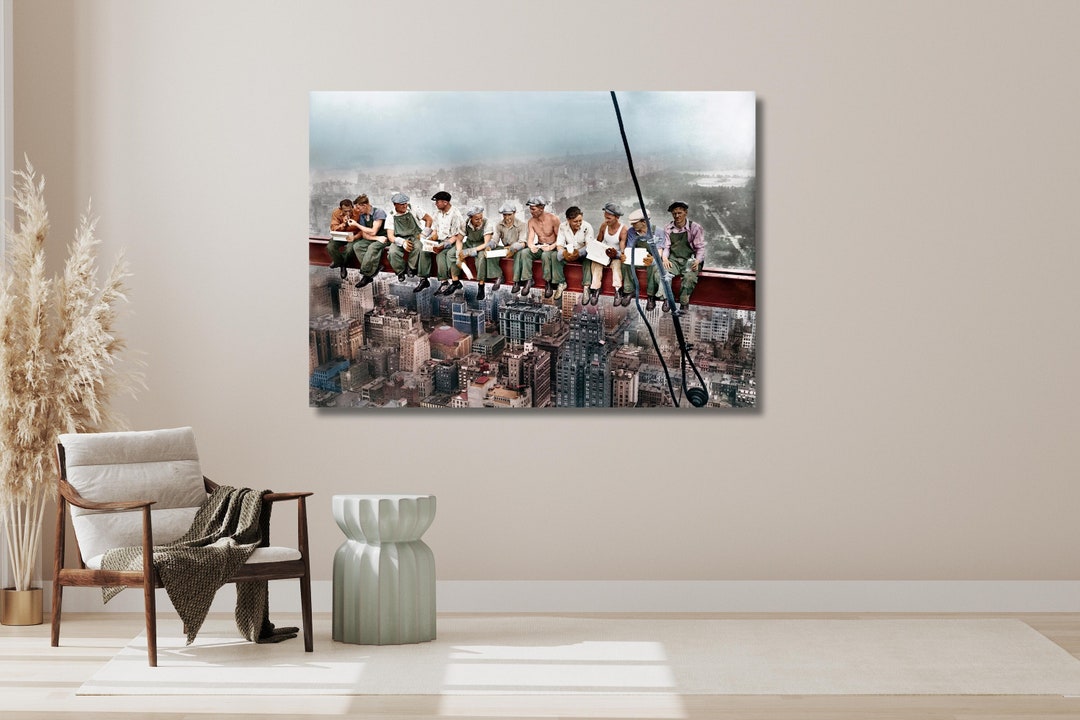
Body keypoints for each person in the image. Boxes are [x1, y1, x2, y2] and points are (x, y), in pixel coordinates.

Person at [657, 200, 705, 311]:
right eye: (674, 213)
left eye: (680, 213)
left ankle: (684, 301)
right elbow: (667, 246)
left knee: (689, 277)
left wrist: (697, 261)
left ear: (685, 213)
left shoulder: (695, 227)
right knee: (664, 273)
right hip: (674, 259)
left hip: (690, 260)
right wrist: (665, 258)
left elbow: (700, 248)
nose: (677, 216)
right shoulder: (668, 228)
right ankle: (667, 298)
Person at [385, 193, 434, 292]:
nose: (405, 206)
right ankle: (400, 272)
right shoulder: (391, 216)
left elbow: (429, 219)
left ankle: (411, 268)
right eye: (402, 204)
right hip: (399, 238)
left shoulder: (414, 209)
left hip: (415, 235)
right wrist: (403, 242)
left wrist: (424, 234)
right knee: (392, 252)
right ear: (395, 205)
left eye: (406, 203)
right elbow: (390, 236)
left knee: (419, 247)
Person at [585, 202, 627, 306]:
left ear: (617, 217)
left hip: (615, 256)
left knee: (616, 266)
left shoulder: (623, 230)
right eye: (605, 217)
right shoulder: (604, 226)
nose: (606, 220)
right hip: (604, 254)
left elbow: (623, 251)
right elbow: (598, 241)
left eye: (609, 218)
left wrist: (616, 254)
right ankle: (595, 289)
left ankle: (618, 290)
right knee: (596, 263)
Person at [524, 196, 562, 298]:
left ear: (541, 208)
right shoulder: (531, 221)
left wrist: (551, 247)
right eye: (530, 209)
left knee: (545, 255)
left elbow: (560, 239)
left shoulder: (554, 219)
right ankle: (528, 279)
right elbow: (530, 238)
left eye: (533, 209)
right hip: (540, 245)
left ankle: (548, 283)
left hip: (553, 247)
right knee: (525, 253)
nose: (531, 211)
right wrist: (531, 246)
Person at [620, 208, 659, 307]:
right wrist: (625, 255)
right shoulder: (631, 231)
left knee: (653, 266)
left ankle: (651, 295)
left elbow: (659, 252)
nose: (632, 225)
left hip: (651, 259)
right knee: (625, 263)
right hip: (638, 258)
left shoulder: (657, 231)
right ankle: (629, 290)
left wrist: (652, 260)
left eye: (635, 223)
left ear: (644, 222)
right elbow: (630, 247)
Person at [430, 191, 466, 296]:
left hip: (455, 242)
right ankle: (444, 282)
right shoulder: (438, 213)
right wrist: (431, 239)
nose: (436, 204)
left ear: (445, 202)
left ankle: (455, 281)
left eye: (438, 202)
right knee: (439, 256)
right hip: (442, 241)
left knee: (451, 255)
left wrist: (444, 245)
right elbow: (435, 229)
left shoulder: (455, 214)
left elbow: (457, 235)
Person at [555, 206, 593, 300]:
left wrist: (578, 253)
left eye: (580, 221)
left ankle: (586, 287)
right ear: (568, 220)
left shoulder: (587, 227)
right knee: (555, 256)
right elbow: (559, 244)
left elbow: (589, 246)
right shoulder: (563, 226)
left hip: (582, 252)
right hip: (569, 252)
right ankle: (561, 283)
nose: (579, 223)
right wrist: (565, 253)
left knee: (588, 258)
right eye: (575, 221)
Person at [350, 194, 389, 288]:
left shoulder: (378, 212)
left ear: (365, 205)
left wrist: (356, 225)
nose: (357, 210)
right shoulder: (363, 216)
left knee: (372, 247)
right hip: (375, 238)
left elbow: (373, 231)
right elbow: (364, 234)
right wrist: (376, 238)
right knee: (357, 246)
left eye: (358, 208)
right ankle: (375, 268)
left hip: (385, 238)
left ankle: (366, 275)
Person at [459, 206, 495, 299]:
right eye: (476, 219)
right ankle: (455, 281)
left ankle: (481, 285)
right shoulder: (465, 223)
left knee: (481, 257)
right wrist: (460, 251)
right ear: (471, 218)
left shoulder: (487, 223)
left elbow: (486, 243)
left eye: (481, 218)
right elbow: (459, 239)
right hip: (469, 243)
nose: (480, 221)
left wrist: (471, 251)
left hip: (481, 245)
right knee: (454, 254)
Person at [493, 203, 529, 294]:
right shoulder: (499, 225)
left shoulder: (521, 225)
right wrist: (490, 246)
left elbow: (522, 242)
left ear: (514, 213)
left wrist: (512, 249)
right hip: (506, 248)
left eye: (509, 215)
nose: (507, 217)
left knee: (519, 254)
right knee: (491, 252)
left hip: (518, 248)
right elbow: (495, 239)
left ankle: (516, 282)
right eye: (505, 215)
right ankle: (499, 275)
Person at [328, 199, 361, 279]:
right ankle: (339, 262)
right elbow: (333, 228)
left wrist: (355, 236)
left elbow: (362, 228)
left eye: (349, 210)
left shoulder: (358, 213)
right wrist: (343, 224)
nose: (348, 213)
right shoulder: (336, 213)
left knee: (349, 249)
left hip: (353, 235)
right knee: (330, 247)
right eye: (345, 211)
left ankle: (342, 265)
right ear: (341, 209)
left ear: (352, 207)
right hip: (341, 235)